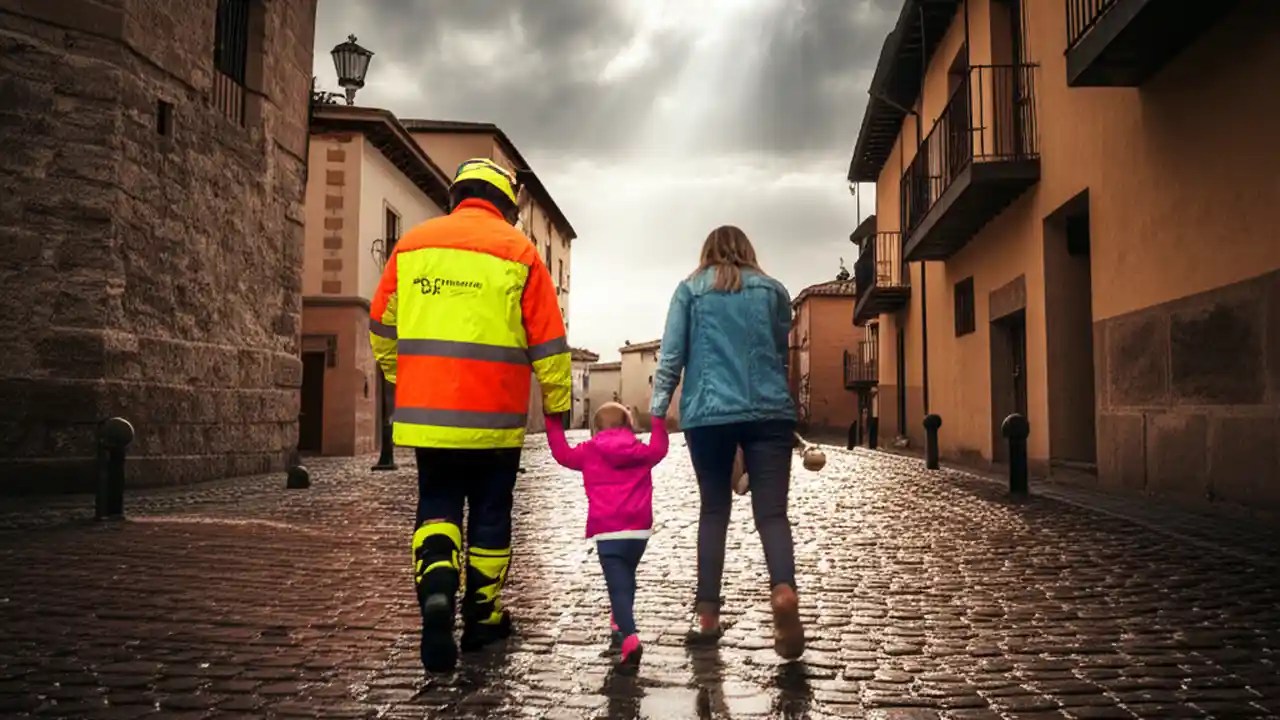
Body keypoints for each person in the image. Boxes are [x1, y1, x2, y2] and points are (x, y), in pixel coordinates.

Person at [369, 157, 572, 673]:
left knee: (437, 503)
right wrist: (557, 406)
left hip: (429, 414)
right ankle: (482, 616)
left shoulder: (412, 245)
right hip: (495, 419)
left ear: (455, 197)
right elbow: (548, 342)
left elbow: (381, 326)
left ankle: (437, 592)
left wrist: (402, 377)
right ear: (507, 205)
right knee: (490, 512)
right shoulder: (521, 252)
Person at [649, 224, 806, 660]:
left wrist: (658, 412)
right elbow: (778, 353)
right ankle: (783, 590)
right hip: (770, 412)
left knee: (714, 510)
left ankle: (708, 617)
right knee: (773, 515)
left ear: (707, 252)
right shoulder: (774, 291)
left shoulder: (689, 291)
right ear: (748, 251)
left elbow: (672, 356)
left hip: (709, 415)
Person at [544, 402, 668, 672]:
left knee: (618, 585)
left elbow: (562, 453)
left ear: (595, 429)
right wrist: (658, 417)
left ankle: (630, 638)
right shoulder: (639, 450)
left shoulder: (589, 452)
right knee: (628, 577)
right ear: (629, 425)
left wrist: (553, 420)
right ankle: (617, 621)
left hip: (608, 530)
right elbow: (660, 449)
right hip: (639, 531)